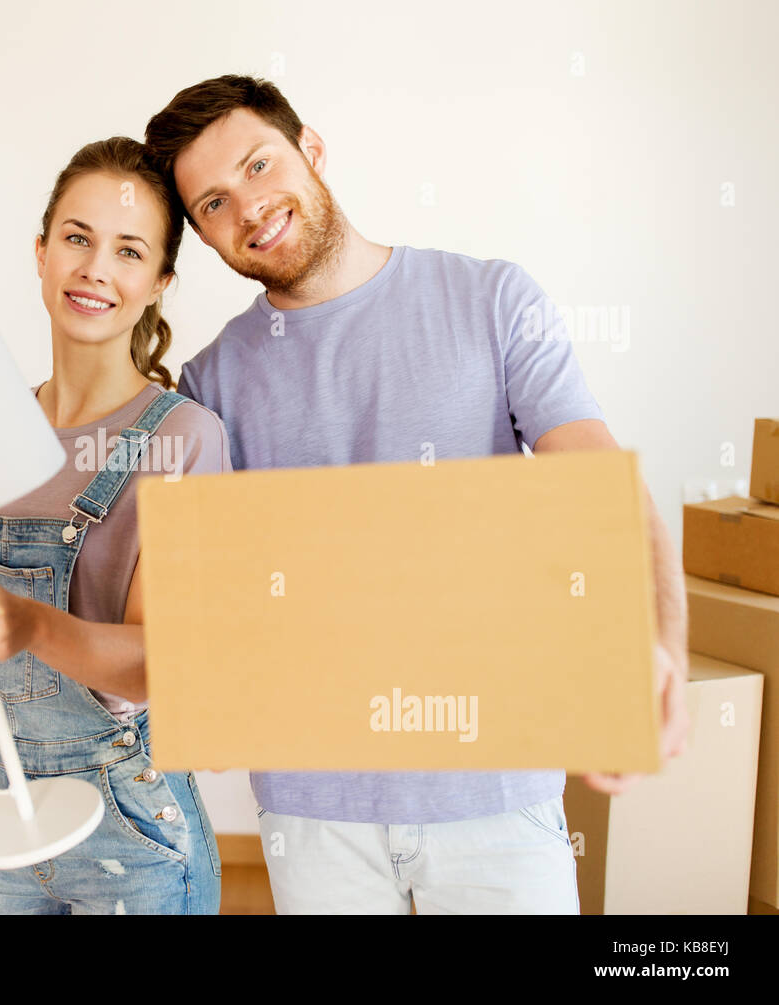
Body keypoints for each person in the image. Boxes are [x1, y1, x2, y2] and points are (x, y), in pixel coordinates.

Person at [143, 74, 690, 914]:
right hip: (311, 814)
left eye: (259, 166)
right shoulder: (210, 382)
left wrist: (656, 644)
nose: (248, 208)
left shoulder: (491, 299)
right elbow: (210, 589)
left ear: (312, 151)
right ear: (202, 234)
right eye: (213, 202)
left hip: (496, 794)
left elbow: (598, 480)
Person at [0, 136, 231, 914]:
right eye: (77, 238)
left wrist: (29, 622)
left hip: (131, 838)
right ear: (40, 253)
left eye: (128, 250)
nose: (96, 267)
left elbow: (157, 666)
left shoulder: (184, 438)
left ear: (160, 281)